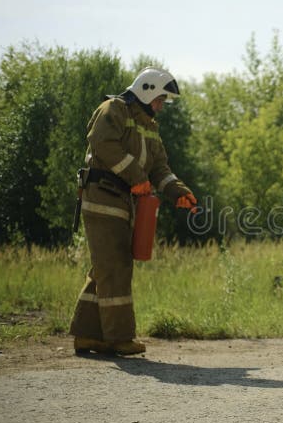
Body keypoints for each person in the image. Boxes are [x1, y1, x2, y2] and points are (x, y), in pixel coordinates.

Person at [70, 67, 197, 355]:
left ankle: (88, 336)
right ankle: (118, 338)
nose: (161, 107)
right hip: (102, 196)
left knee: (106, 267)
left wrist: (179, 191)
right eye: (160, 100)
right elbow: (101, 143)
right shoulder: (113, 109)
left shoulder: (150, 127)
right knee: (115, 266)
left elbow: (160, 168)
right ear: (147, 90)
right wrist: (138, 178)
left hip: (124, 202)